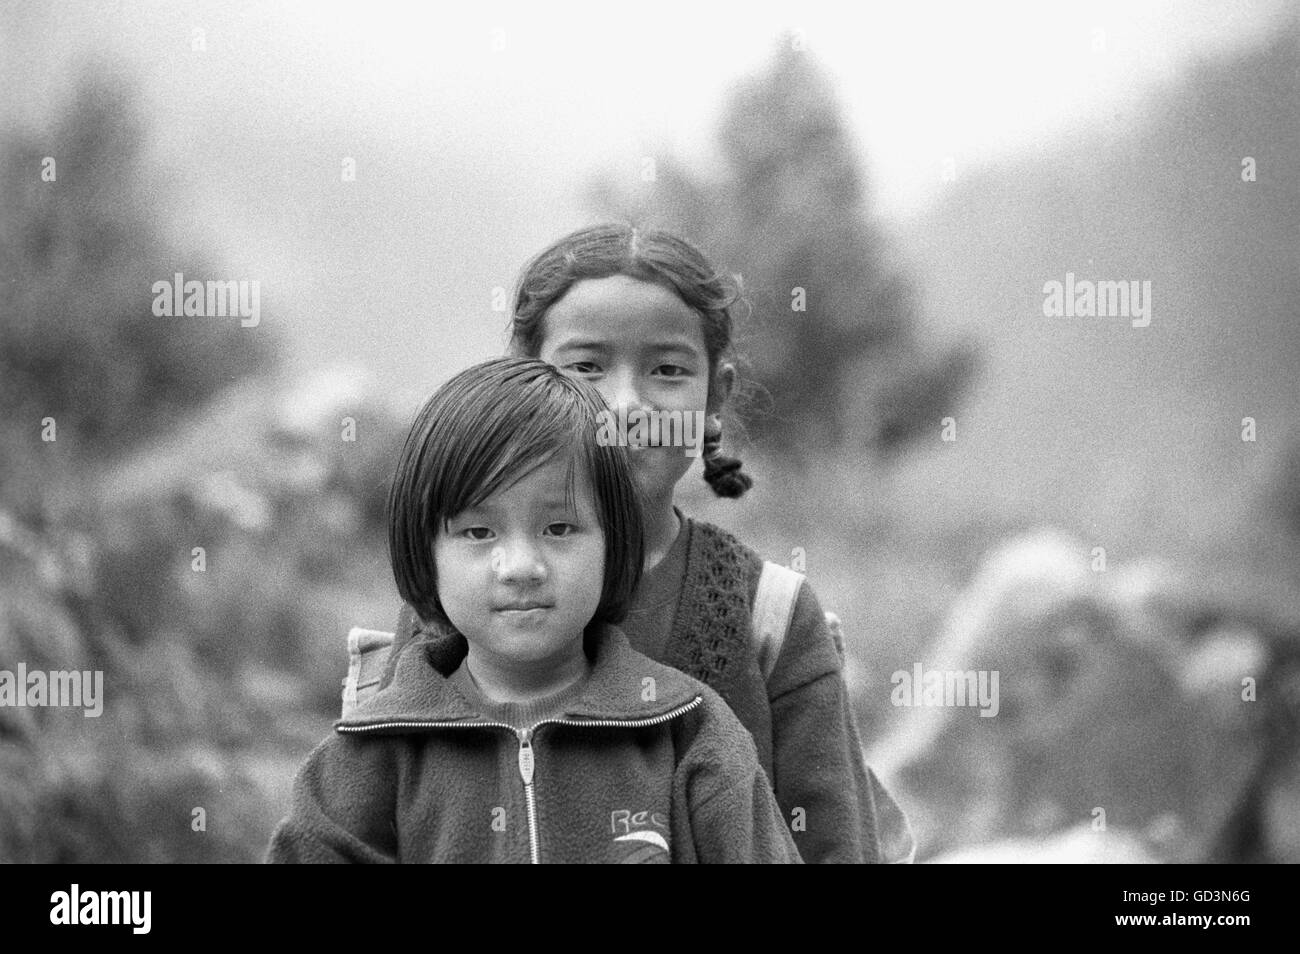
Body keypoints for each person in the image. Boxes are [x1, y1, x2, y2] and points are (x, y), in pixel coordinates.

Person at [385, 224, 913, 863]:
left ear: (714, 395)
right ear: (526, 381)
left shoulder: (768, 615)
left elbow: (836, 848)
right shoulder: (457, 603)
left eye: (667, 370)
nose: (625, 404)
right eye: (585, 367)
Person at [267, 357, 802, 863]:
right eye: (479, 532)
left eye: (559, 528)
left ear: (612, 545)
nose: (520, 566)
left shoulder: (689, 733)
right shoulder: (370, 757)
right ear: (424, 554)